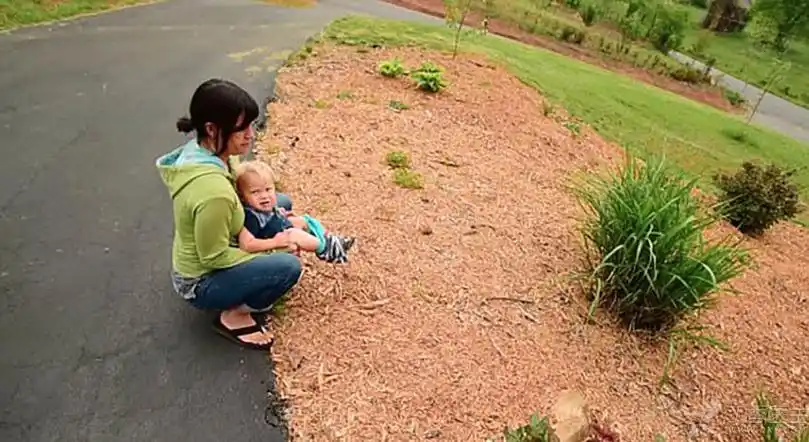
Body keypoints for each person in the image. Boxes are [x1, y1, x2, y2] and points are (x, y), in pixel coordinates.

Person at [156, 78, 301, 351]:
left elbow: (240, 193)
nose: (250, 135)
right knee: (287, 267)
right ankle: (233, 317)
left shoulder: (208, 151)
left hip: (225, 227)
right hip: (200, 281)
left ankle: (263, 246)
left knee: (279, 201)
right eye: (241, 129)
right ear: (211, 129)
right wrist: (270, 248)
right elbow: (213, 256)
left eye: (251, 126)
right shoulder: (213, 192)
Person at [233, 160, 356, 263]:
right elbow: (246, 245)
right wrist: (274, 242)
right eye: (255, 192)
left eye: (268, 189)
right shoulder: (250, 217)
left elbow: (269, 217)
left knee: (304, 220)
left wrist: (278, 214)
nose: (264, 196)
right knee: (294, 234)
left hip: (277, 229)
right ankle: (324, 249)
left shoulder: (262, 206)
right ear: (243, 197)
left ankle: (329, 240)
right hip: (271, 243)